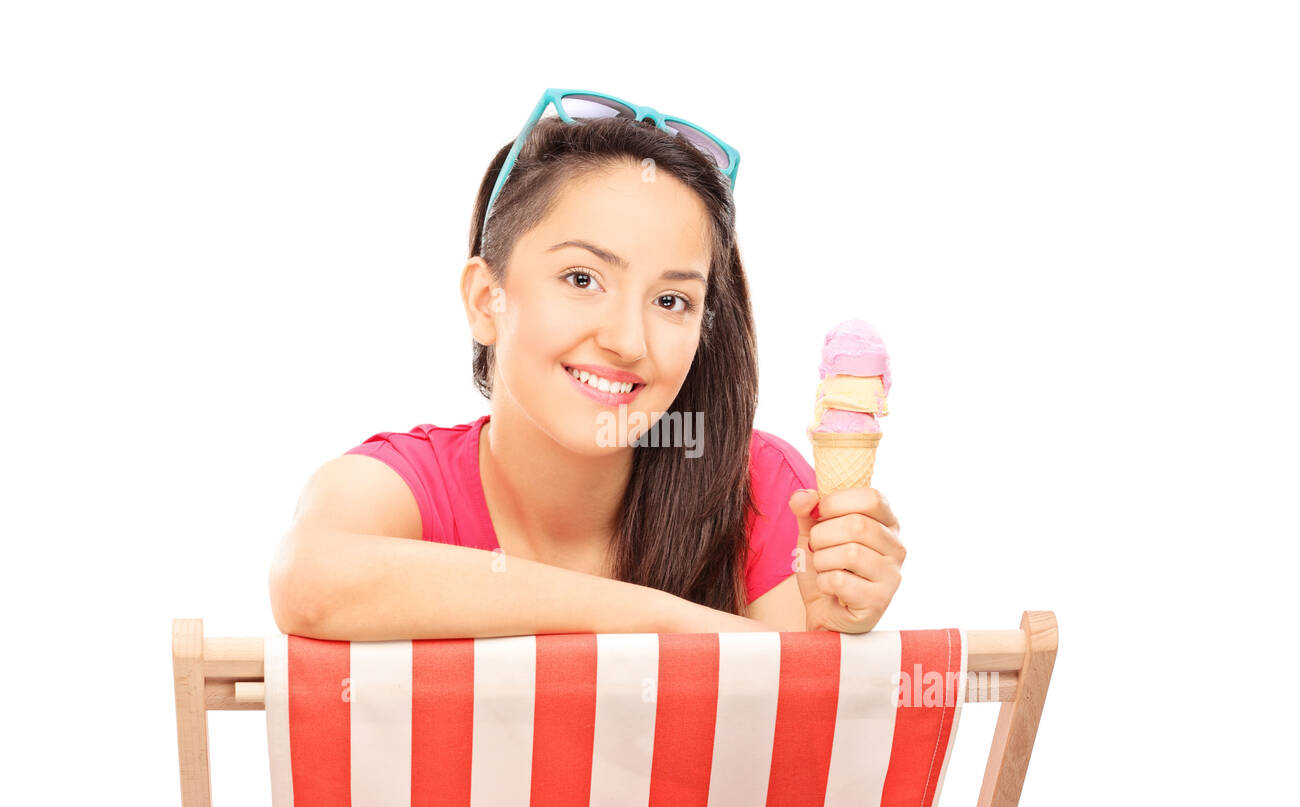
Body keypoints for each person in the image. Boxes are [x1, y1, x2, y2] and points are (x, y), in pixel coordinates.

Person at [268, 90, 905, 641]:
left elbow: (787, 758)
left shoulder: (762, 489)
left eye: (671, 300)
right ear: (486, 299)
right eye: (582, 278)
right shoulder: (406, 488)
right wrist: (675, 624)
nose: (628, 341)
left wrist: (834, 638)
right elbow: (309, 578)